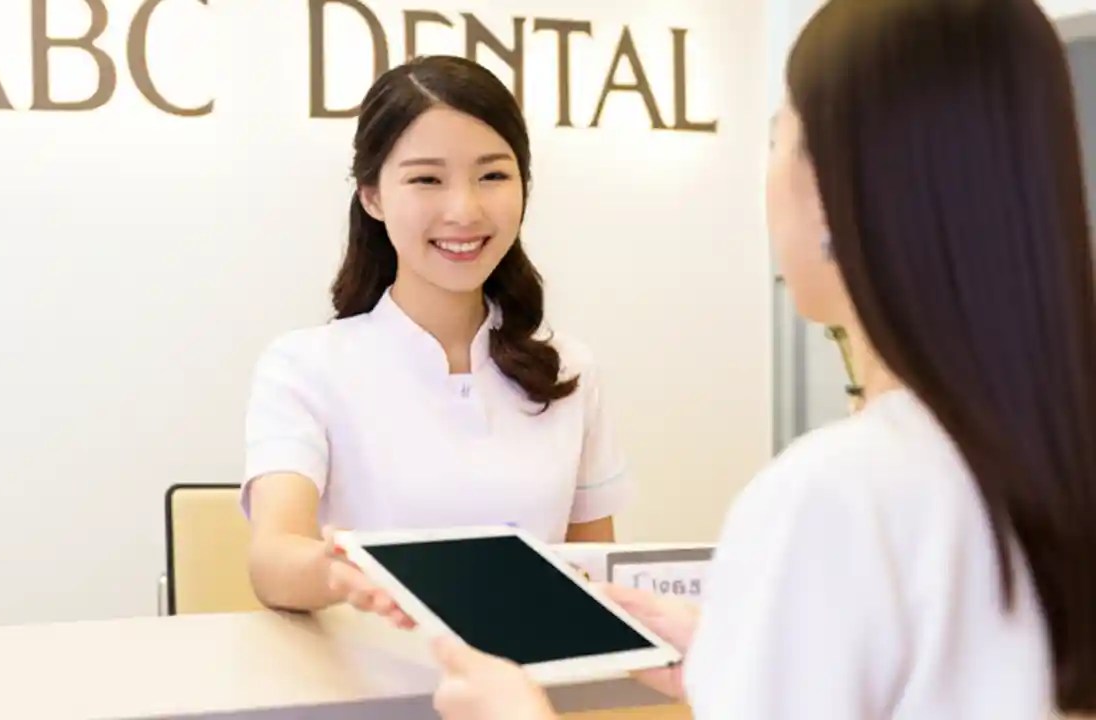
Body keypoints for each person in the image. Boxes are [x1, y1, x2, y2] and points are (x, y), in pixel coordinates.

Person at [339, 0, 1096, 717]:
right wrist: (733, 656)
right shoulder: (1048, 467)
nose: (463, 209)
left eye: (776, 139)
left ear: (832, 194)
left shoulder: (832, 495)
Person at [243, 55, 631, 613]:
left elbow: (599, 580)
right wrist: (355, 572)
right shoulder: (304, 367)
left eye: (493, 176)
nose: (464, 210)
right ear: (372, 195)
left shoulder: (568, 370)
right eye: (427, 179)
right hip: (367, 690)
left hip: (524, 694)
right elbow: (274, 561)